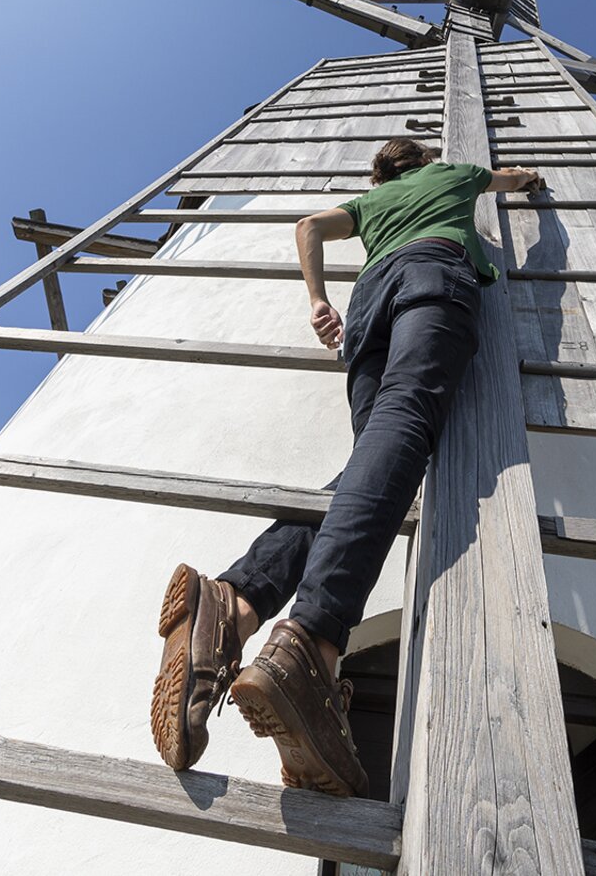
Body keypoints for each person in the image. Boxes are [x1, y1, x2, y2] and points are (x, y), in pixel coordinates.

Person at [149, 137, 544, 796]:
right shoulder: (453, 171)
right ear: (423, 161)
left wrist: (317, 300)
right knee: (405, 425)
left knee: (375, 461)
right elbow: (511, 177)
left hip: (365, 305)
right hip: (431, 277)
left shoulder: (372, 200)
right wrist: (530, 178)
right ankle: (311, 643)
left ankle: (233, 603)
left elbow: (306, 225)